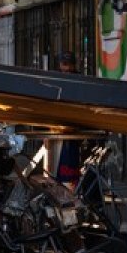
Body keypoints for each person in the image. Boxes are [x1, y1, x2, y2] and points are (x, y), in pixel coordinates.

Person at [54, 51, 81, 187]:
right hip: (59, 124)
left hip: (74, 124)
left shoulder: (78, 79)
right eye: (64, 65)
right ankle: (62, 183)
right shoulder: (56, 78)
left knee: (70, 157)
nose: (67, 68)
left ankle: (70, 183)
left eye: (69, 65)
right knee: (60, 159)